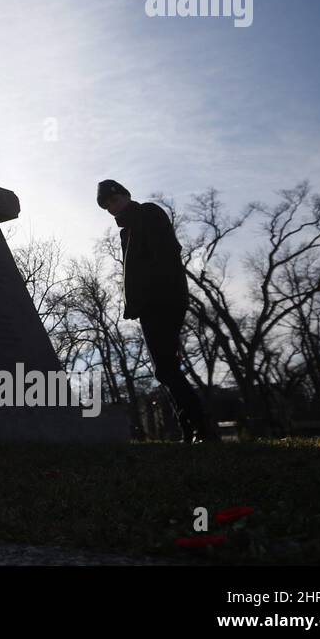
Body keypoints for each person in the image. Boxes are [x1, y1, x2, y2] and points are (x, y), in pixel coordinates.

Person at [97, 179, 220, 443]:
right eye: (106, 206)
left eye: (114, 200)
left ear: (125, 195)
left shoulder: (148, 213)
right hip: (148, 305)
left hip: (164, 299)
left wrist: (155, 294)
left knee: (165, 368)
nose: (112, 207)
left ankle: (202, 428)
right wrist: (134, 302)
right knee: (166, 367)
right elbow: (134, 271)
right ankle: (189, 430)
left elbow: (164, 255)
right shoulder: (125, 231)